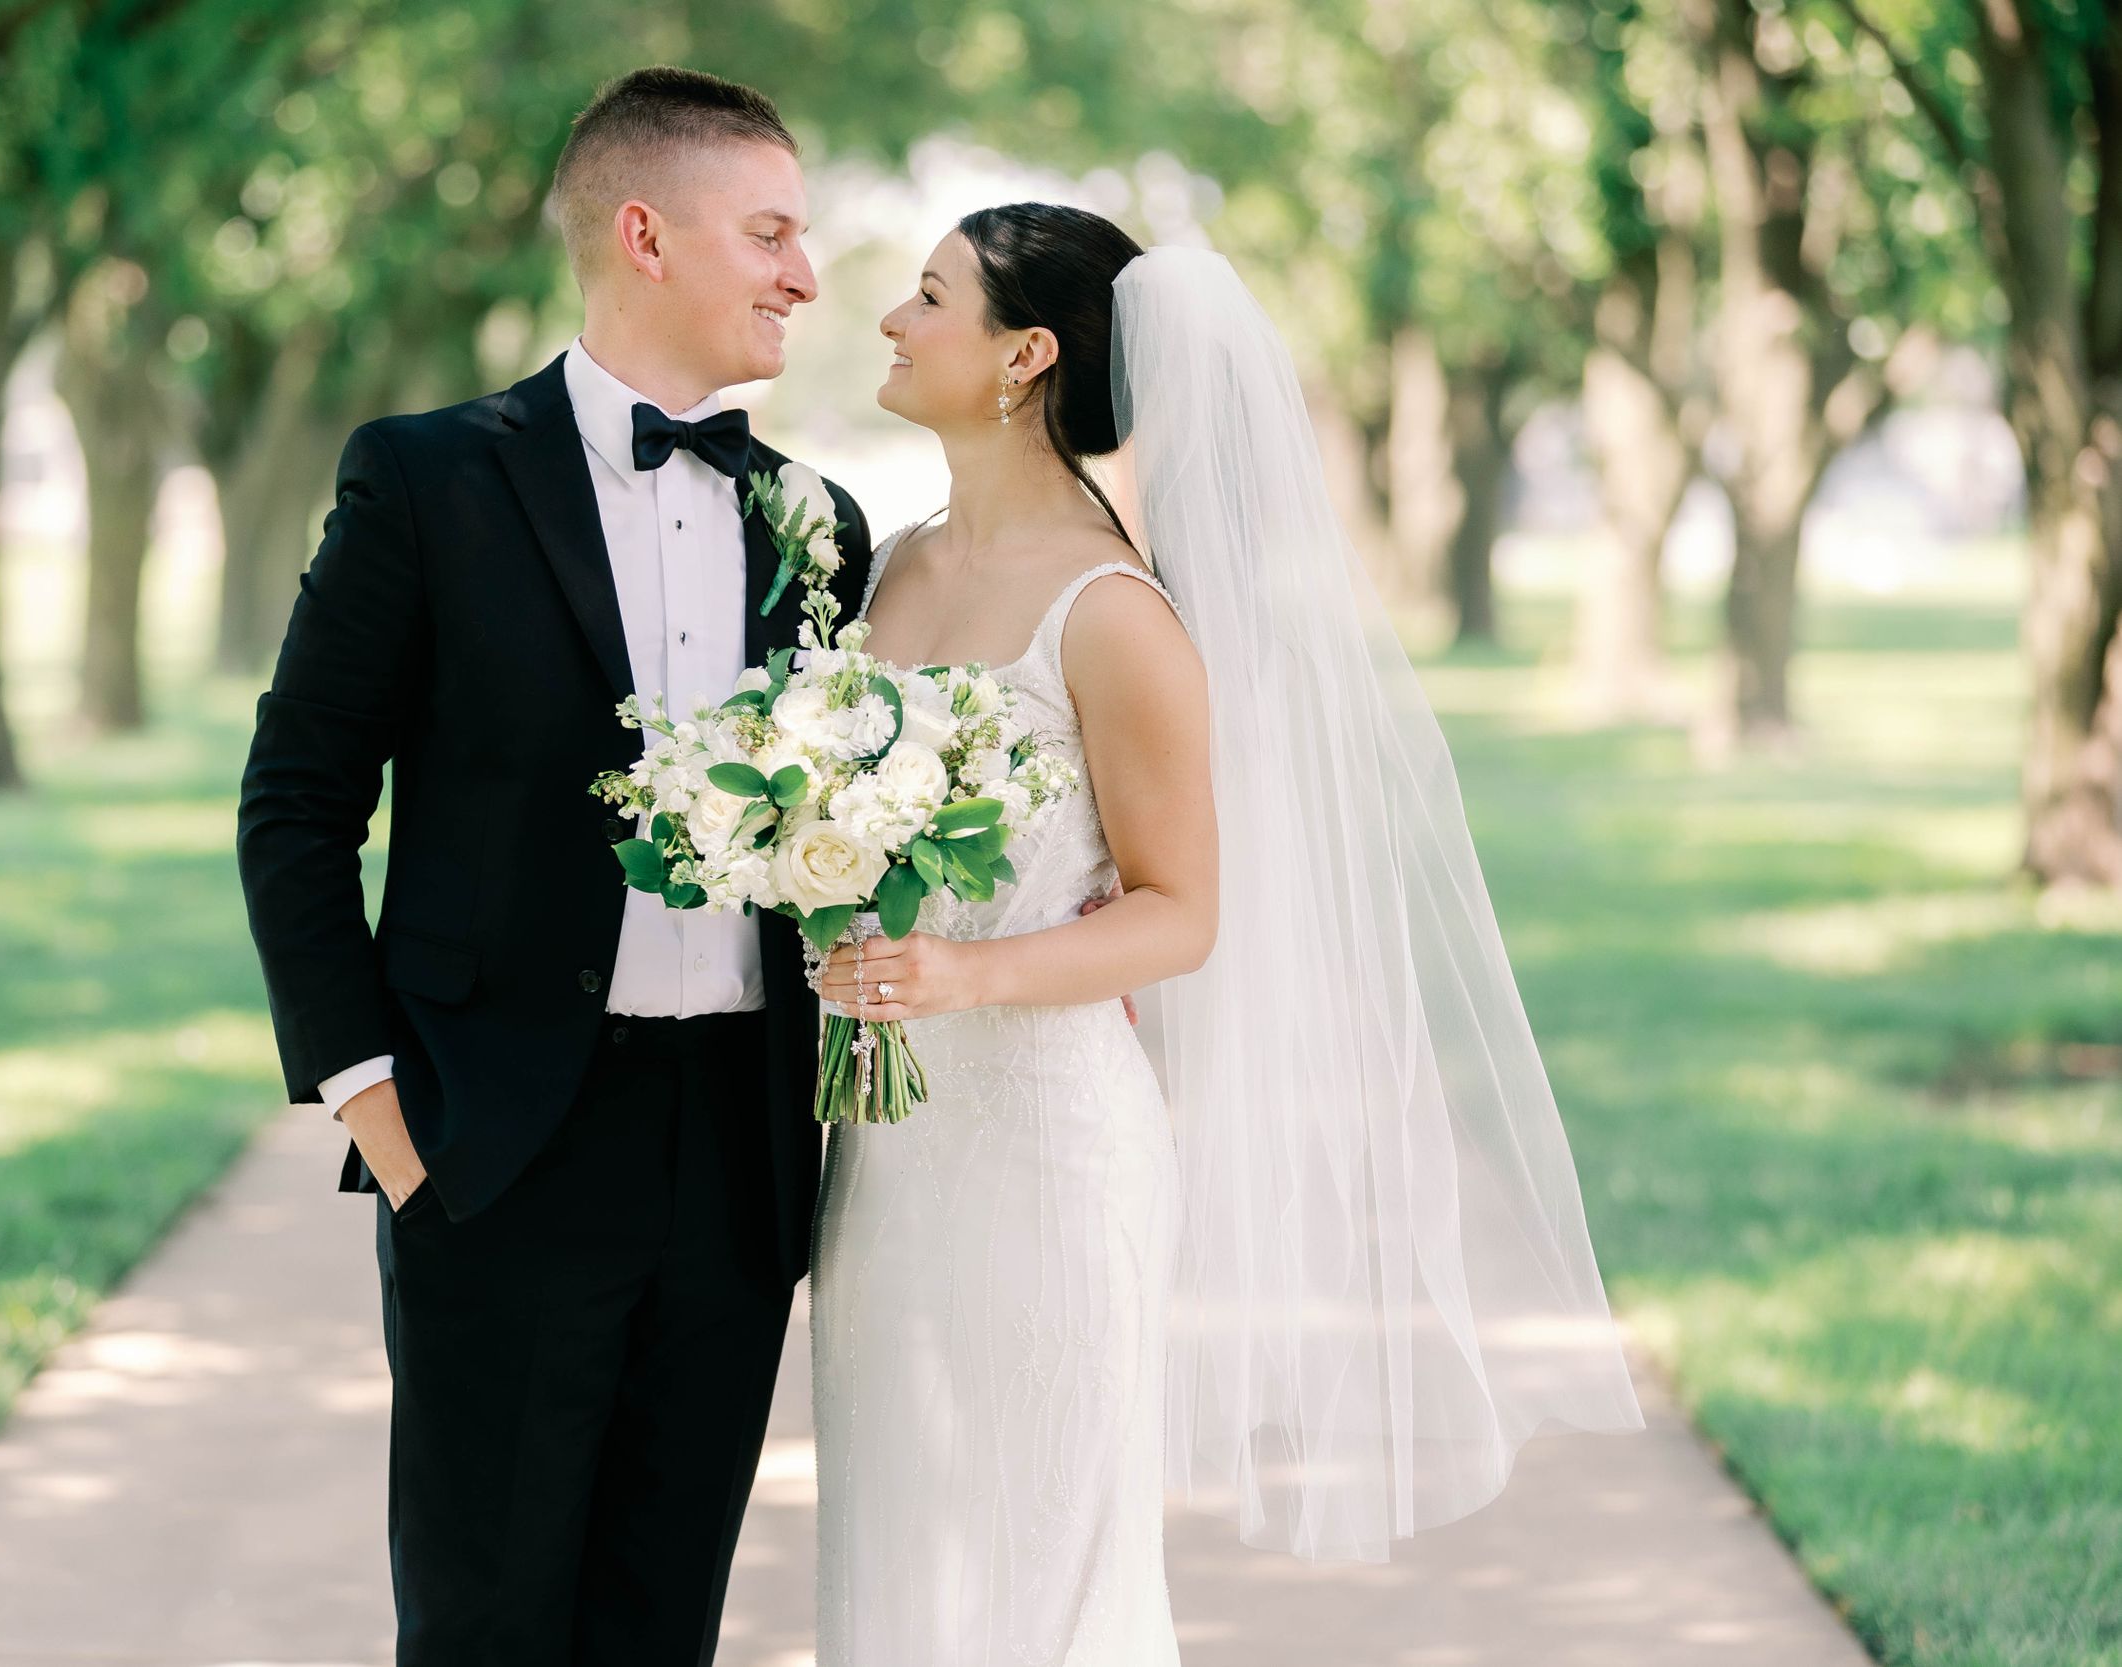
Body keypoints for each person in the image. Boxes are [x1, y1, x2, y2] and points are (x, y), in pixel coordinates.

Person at [809, 206, 1647, 1663]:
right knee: (896, 1559)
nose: (890, 318)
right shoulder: (888, 567)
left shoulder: (1113, 610)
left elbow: (1181, 912)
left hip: (1046, 1156)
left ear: (1025, 356)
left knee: (1045, 1572)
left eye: (926, 296)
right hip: (888, 1160)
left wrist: (964, 971)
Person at [235, 67, 873, 1665]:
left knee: (662, 1627)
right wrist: (376, 1107)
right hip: (496, 1142)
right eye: (773, 232)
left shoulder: (823, 524)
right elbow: (297, 800)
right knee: (484, 1627)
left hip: (734, 1156)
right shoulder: (428, 479)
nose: (807, 274)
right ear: (646, 234)